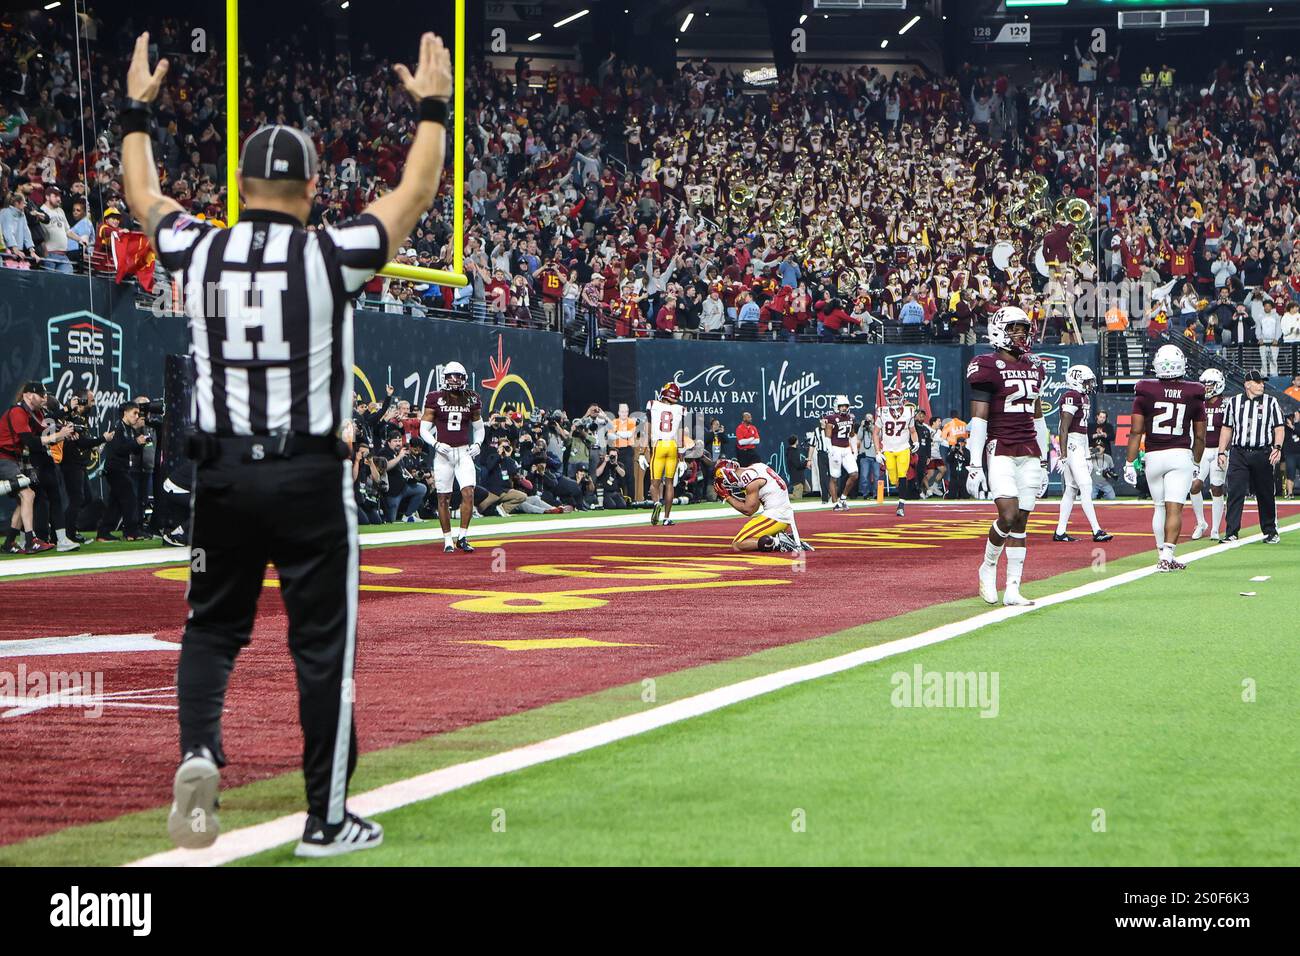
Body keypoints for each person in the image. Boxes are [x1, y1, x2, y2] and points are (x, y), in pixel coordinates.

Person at [127, 31, 452, 857]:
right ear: (312, 189)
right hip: (309, 475)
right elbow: (415, 192)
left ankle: (201, 752)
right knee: (321, 652)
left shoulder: (200, 247)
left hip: (222, 475)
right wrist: (432, 106)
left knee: (210, 629)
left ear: (240, 187)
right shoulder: (330, 253)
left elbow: (143, 195)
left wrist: (136, 110)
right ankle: (325, 820)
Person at [965, 306, 1050, 607]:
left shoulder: (1035, 366)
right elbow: (979, 420)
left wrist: (1044, 458)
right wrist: (974, 465)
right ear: (999, 330)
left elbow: (1038, 416)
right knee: (1008, 514)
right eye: (1015, 328)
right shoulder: (986, 365)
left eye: (1024, 328)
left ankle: (1013, 587)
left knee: (1022, 520)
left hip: (1028, 449)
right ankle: (988, 566)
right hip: (1000, 446)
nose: (1022, 334)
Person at [1123, 345, 1206, 571]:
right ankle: (1167, 556)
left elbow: (1135, 432)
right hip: (1179, 455)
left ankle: (1162, 555)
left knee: (1159, 507)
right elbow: (1200, 436)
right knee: (1174, 509)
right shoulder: (1194, 392)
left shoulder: (1145, 390)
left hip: (1153, 456)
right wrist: (1196, 462)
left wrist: (1129, 462)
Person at [420, 360, 484, 552]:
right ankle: (447, 539)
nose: (455, 380)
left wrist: (478, 443)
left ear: (464, 379)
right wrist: (436, 443)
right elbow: (424, 429)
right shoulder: (435, 398)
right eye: (451, 376)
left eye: (458, 376)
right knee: (443, 497)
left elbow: (479, 427)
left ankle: (462, 537)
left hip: (464, 452)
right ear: (444, 378)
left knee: (468, 493)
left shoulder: (472, 398)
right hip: (443, 454)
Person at [1217, 370, 1285, 544]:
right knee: (1235, 492)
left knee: (1265, 493)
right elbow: (1227, 428)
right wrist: (1221, 451)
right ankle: (1231, 532)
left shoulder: (1271, 402)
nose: (1262, 385)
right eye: (1258, 382)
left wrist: (1277, 447)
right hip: (1239, 452)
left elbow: (1279, 427)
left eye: (1262, 382)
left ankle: (1270, 531)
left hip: (1262, 452)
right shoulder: (1234, 402)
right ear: (1247, 384)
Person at [1052, 365, 1112, 543]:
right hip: (1071, 445)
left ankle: (1060, 531)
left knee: (1071, 489)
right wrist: (1063, 455)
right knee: (1085, 485)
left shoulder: (1083, 397)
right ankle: (1096, 530)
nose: (1089, 384)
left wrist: (1086, 455)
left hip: (1078, 445)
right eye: (1086, 381)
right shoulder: (1071, 396)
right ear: (1076, 380)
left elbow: (1084, 431)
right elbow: (1063, 427)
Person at [0, 382, 57, 553]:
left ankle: (9, 542)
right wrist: (56, 435)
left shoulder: (32, 413)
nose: (44, 398)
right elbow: (30, 441)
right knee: (28, 494)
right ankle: (31, 541)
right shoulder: (18, 411)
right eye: (41, 395)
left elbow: (44, 429)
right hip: (3, 458)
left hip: (12, 459)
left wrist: (64, 431)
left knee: (23, 498)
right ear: (29, 395)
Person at [713, 458, 809, 553]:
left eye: (725, 483)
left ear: (729, 476)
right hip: (782, 514)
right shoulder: (756, 467)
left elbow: (749, 510)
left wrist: (727, 497)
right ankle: (785, 539)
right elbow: (755, 507)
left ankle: (778, 542)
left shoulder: (748, 477)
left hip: (776, 516)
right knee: (755, 540)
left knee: (738, 544)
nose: (727, 486)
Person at [94, 402, 149, 542]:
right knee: (129, 498)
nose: (137, 416)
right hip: (115, 469)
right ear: (125, 412)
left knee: (116, 503)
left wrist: (140, 443)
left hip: (121, 469)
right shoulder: (117, 427)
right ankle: (131, 531)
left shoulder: (129, 429)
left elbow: (133, 450)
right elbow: (118, 449)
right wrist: (136, 443)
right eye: (134, 413)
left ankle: (103, 532)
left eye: (138, 414)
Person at [1188, 368, 1228, 540]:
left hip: (1219, 450)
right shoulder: (1198, 404)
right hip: (1202, 450)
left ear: (1218, 385)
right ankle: (1201, 522)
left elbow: (1229, 429)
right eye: (1204, 385)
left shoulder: (1225, 404)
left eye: (1210, 385)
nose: (1206, 388)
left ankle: (1215, 528)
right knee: (1194, 485)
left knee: (1216, 487)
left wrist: (1224, 451)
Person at [641, 381, 687, 526]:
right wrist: (682, 458)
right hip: (672, 446)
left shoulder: (653, 405)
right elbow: (680, 435)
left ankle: (656, 504)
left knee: (654, 483)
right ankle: (666, 517)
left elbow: (647, 430)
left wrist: (642, 452)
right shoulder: (680, 409)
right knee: (669, 484)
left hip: (659, 445)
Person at [873, 386, 917, 518]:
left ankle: (901, 505)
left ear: (901, 399)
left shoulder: (909, 411)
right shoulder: (882, 412)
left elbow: (913, 431)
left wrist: (916, 442)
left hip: (903, 447)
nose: (894, 402)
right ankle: (900, 494)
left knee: (903, 474)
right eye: (891, 400)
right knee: (893, 479)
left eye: (896, 399)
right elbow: (875, 433)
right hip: (888, 449)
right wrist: (877, 451)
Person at [821, 395, 858, 510]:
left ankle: (843, 498)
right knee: (834, 477)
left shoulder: (850, 418)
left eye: (845, 406)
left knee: (854, 474)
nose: (843, 408)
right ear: (836, 407)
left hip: (846, 449)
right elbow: (827, 436)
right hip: (835, 448)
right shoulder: (831, 418)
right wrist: (830, 451)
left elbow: (852, 435)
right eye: (841, 406)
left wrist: (855, 451)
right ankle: (835, 502)